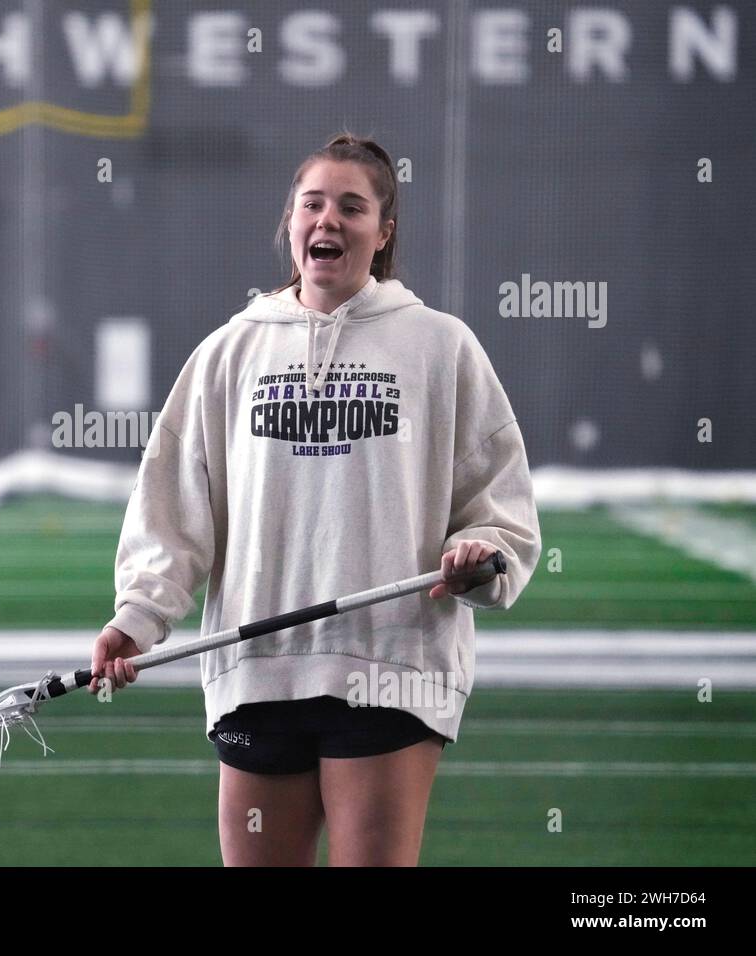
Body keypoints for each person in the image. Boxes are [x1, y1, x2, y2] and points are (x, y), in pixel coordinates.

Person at [90, 132, 542, 866]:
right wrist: (138, 615)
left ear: (383, 230)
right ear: (291, 222)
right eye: (313, 204)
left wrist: (482, 556)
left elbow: (500, 505)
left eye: (352, 207)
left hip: (390, 667)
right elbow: (175, 498)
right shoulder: (230, 351)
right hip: (256, 670)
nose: (328, 220)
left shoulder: (440, 347)